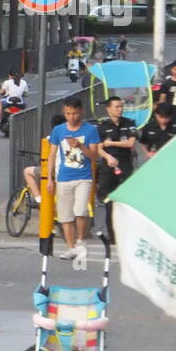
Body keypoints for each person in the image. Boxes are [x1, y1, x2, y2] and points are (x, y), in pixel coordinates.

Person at [47, 96, 101, 260]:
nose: (72, 117)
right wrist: (50, 178)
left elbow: (94, 155)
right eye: (68, 113)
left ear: (81, 111)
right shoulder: (59, 130)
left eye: (75, 113)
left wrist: (80, 146)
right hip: (63, 177)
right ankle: (71, 248)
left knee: (80, 210)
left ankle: (80, 241)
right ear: (64, 112)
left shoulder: (90, 130)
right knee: (65, 215)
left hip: (83, 177)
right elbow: (52, 155)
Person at [94, 96, 137, 243]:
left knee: (125, 200)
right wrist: (107, 156)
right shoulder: (102, 126)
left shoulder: (129, 124)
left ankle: (127, 232)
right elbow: (99, 148)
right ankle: (112, 235)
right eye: (117, 107)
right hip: (109, 165)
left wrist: (111, 142)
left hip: (125, 164)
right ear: (109, 109)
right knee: (109, 200)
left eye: (121, 106)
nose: (120, 109)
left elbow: (130, 143)